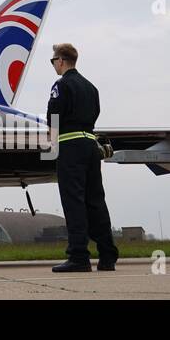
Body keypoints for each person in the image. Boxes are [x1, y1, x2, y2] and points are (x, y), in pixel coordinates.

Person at [46, 43, 119, 272]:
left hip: (70, 145)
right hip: (90, 144)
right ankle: (108, 256)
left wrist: (52, 148)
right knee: (95, 200)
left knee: (73, 201)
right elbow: (95, 114)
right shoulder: (91, 88)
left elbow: (54, 119)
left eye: (53, 61)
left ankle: (78, 256)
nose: (54, 66)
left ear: (61, 60)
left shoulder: (61, 85)